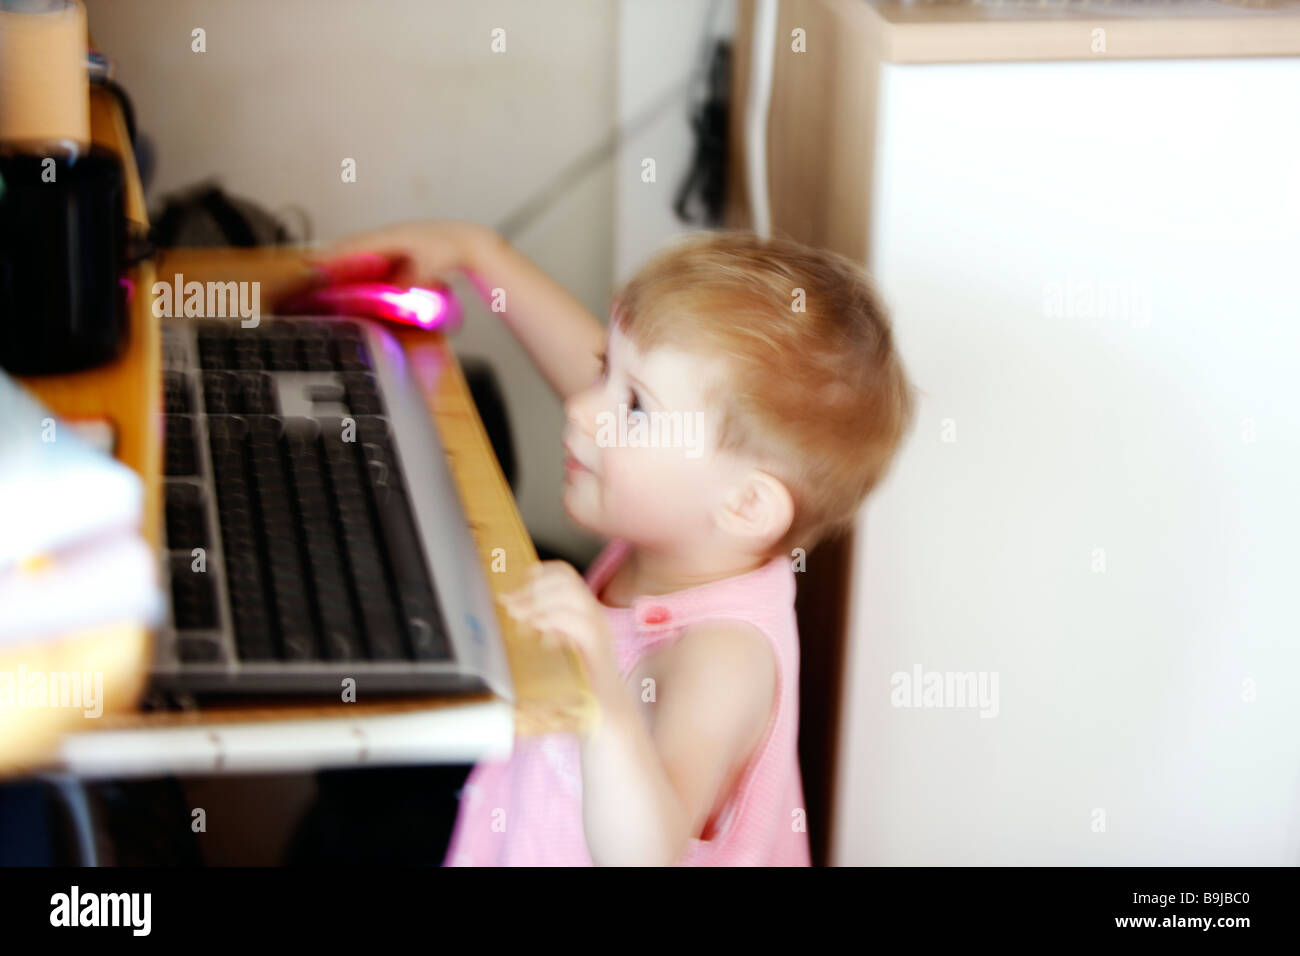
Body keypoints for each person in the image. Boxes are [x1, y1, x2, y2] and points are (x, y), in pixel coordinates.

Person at [307, 222, 916, 866]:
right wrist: (478, 255)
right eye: (605, 371)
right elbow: (596, 370)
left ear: (743, 504)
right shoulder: (685, 532)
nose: (581, 409)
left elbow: (643, 855)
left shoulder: (722, 657)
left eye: (633, 407)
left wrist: (602, 691)